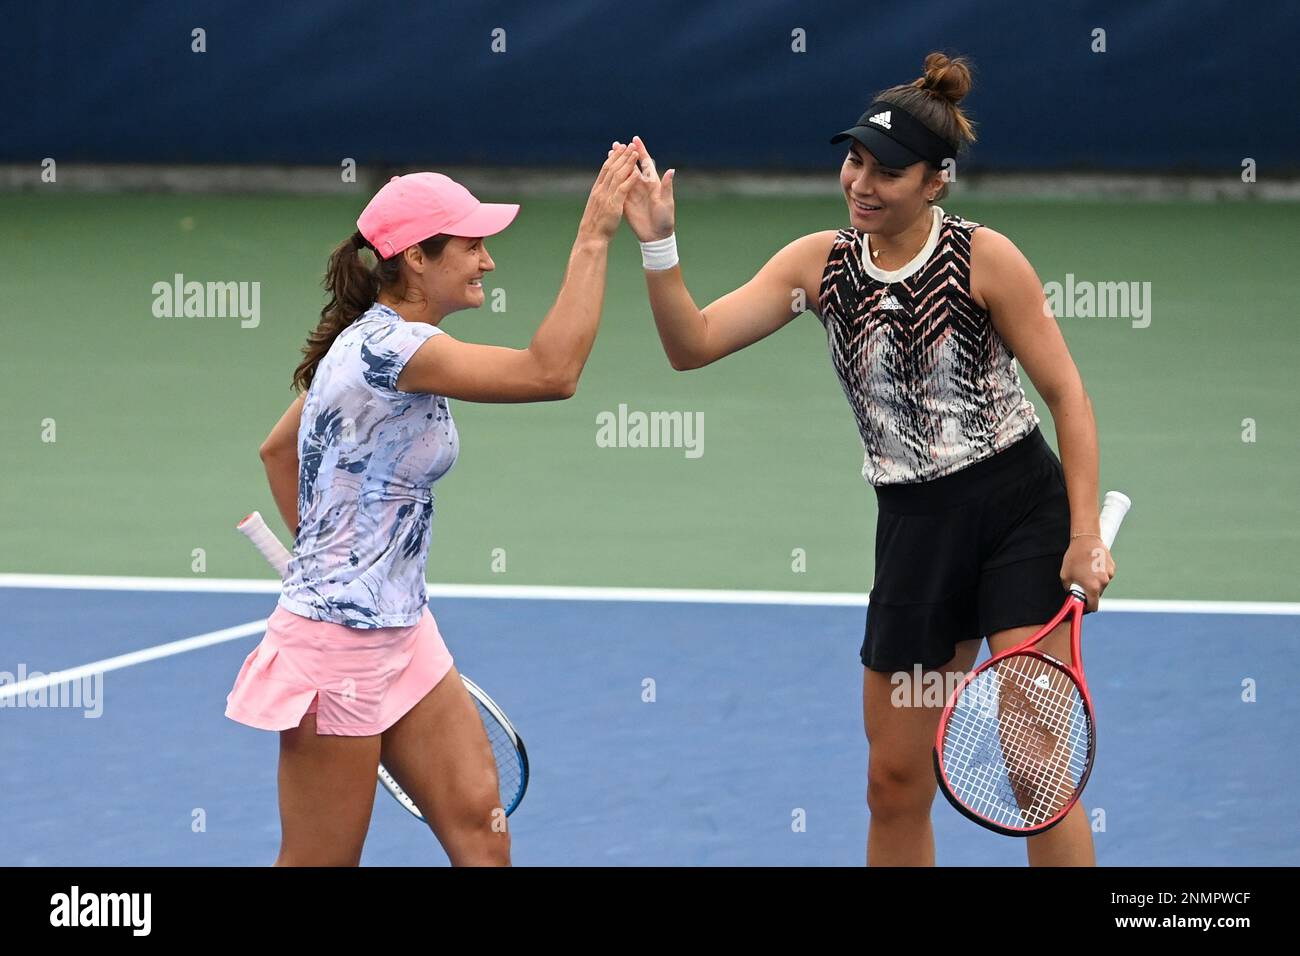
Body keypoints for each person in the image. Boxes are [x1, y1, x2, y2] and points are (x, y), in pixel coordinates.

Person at [621, 53, 1114, 866]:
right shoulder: (817, 266)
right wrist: (659, 245)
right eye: (854, 160)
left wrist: (1084, 533)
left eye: (888, 170)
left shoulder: (987, 260)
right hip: (915, 529)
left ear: (935, 181)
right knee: (892, 782)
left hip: (1018, 511)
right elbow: (693, 345)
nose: (861, 182)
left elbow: (1069, 397)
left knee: (1035, 768)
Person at [226, 145, 641, 866]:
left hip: (404, 631)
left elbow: (276, 452)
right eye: (473, 245)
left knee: (483, 835)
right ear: (417, 257)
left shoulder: (368, 346)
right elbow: (552, 372)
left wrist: (335, 555)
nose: (487, 261)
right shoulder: (389, 352)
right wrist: (596, 234)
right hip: (338, 648)